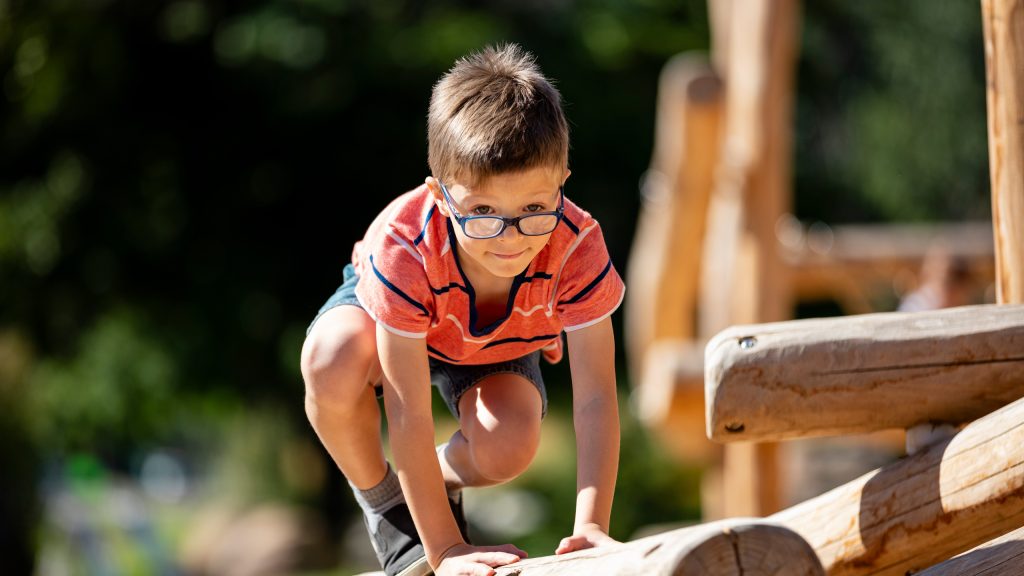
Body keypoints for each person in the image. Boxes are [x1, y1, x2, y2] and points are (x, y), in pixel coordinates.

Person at [300, 44, 625, 576]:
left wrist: (592, 526)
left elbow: (594, 396)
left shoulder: (576, 243)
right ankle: (387, 505)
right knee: (330, 360)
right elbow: (405, 409)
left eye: (534, 209)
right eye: (481, 212)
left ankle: (438, 480)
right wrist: (446, 549)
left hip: (498, 341)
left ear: (562, 181)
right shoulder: (406, 247)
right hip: (397, 321)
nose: (510, 237)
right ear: (439, 194)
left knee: (509, 447)